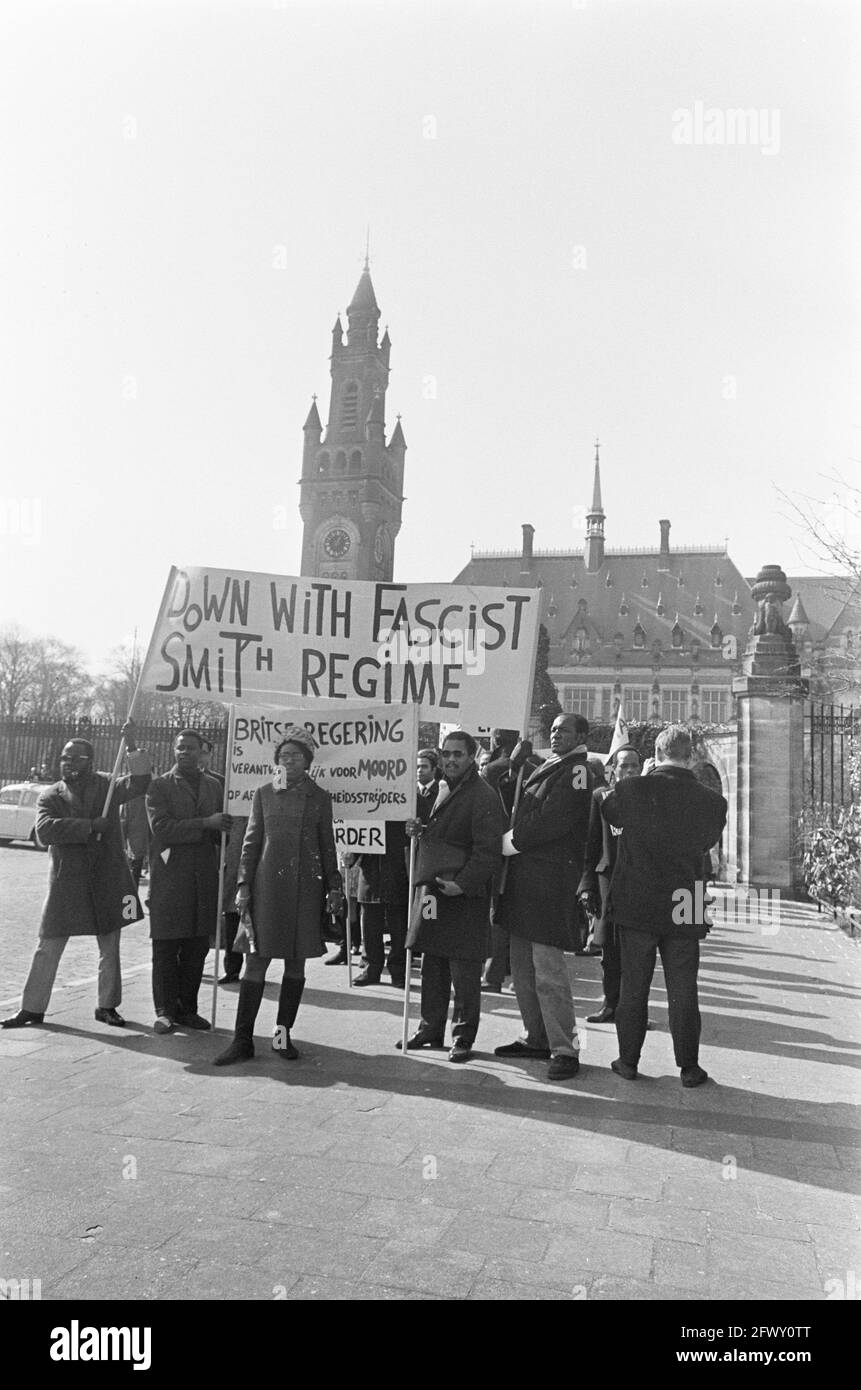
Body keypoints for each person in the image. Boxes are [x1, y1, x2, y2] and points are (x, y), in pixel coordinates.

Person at [2, 721, 151, 1030]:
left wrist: (133, 746)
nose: (68, 764)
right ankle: (31, 1008)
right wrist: (88, 827)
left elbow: (140, 783)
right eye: (65, 758)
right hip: (66, 884)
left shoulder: (107, 785)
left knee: (110, 946)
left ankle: (107, 1005)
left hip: (106, 881)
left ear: (91, 762)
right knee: (48, 946)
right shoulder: (50, 795)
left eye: (76, 758)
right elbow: (44, 831)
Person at [602, 724, 727, 1087]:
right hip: (685, 899)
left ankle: (628, 1061)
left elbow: (611, 814)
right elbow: (706, 842)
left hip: (638, 899)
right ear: (690, 756)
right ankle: (689, 1066)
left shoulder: (632, 788)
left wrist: (641, 778)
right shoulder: (712, 801)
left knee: (634, 986)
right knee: (684, 987)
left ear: (656, 753)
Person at [214, 727, 344, 1066]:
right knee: (255, 962)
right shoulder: (264, 793)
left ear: (308, 761)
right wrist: (243, 885)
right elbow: (250, 843)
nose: (289, 761)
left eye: (296, 756)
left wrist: (334, 885)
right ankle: (241, 1040)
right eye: (284, 756)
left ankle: (281, 1037)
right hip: (266, 889)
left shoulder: (319, 797)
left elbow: (327, 845)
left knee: (295, 964)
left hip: (305, 890)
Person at [493, 713, 594, 1080]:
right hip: (525, 882)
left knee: (548, 972)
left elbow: (556, 818)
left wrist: (511, 842)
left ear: (581, 736)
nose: (555, 735)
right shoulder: (550, 766)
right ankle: (535, 1036)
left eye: (564, 730)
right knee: (522, 968)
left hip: (549, 884)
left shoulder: (579, 770)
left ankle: (565, 1049)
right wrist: (513, 765)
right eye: (552, 730)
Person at [400, 730, 505, 1063]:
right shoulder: (440, 789)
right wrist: (418, 831)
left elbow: (489, 852)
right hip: (434, 891)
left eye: (458, 754)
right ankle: (430, 1028)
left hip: (463, 895)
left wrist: (463, 884)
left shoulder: (483, 795)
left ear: (472, 756)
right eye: (446, 754)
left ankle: (463, 1037)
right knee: (432, 961)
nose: (450, 760)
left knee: (464, 971)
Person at [146, 729, 231, 1033]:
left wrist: (225, 828)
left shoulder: (214, 785)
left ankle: (188, 1008)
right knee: (167, 945)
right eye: (180, 748)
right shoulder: (160, 786)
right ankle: (165, 1010)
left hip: (203, 876)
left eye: (191, 748)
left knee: (197, 946)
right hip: (171, 875)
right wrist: (206, 824)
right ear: (173, 751)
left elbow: (225, 827)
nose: (185, 753)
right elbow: (162, 828)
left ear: (202, 752)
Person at [578, 745, 642, 1022]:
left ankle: (634, 1009)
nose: (629, 771)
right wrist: (586, 885)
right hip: (608, 881)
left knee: (637, 951)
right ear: (612, 770)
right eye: (624, 766)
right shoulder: (600, 797)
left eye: (634, 766)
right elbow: (591, 844)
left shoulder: (648, 799)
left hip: (639, 881)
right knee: (609, 949)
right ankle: (610, 1004)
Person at [480, 729, 541, 992]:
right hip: (527, 846)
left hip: (502, 845)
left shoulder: (491, 769)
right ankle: (517, 975)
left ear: (496, 741)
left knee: (499, 911)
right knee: (522, 911)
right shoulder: (537, 767)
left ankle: (494, 974)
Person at [352, 820, 409, 988]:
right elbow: (356, 830)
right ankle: (371, 969)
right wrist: (351, 854)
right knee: (369, 926)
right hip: (371, 872)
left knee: (399, 929)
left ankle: (398, 972)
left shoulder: (410, 800)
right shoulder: (367, 799)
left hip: (397, 872)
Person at [218, 814, 248, 984]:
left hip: (254, 874)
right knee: (231, 922)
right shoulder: (231, 812)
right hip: (231, 871)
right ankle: (232, 969)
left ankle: (254, 970)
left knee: (255, 924)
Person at [415, 747, 441, 824]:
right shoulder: (409, 791)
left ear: (434, 769)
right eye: (417, 767)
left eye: (424, 767)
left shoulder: (441, 792)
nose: (419, 770)